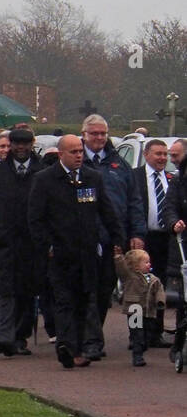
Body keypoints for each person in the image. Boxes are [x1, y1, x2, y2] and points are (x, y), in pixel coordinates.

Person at [28, 134, 125, 368]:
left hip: (87, 253)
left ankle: (78, 347)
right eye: (73, 152)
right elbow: (35, 218)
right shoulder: (45, 180)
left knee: (83, 301)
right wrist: (47, 246)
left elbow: (107, 211)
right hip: (59, 254)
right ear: (61, 154)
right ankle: (66, 345)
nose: (79, 155)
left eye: (80, 151)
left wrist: (119, 239)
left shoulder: (93, 178)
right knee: (63, 301)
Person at [80, 115, 145, 356]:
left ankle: (93, 335)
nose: (99, 138)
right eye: (94, 133)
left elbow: (134, 201)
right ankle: (90, 341)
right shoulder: (77, 160)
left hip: (112, 239)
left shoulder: (120, 164)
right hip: (82, 239)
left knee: (104, 289)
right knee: (85, 289)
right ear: (84, 134)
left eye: (102, 134)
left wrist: (137, 233)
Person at [0, 128, 46, 356]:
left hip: (32, 243)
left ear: (31, 144)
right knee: (4, 287)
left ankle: (20, 336)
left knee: (27, 290)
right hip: (3, 241)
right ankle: (4, 335)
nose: (21, 148)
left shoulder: (42, 172)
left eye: (25, 143)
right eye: (16, 143)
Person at [134, 139, 173, 344]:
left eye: (165, 154)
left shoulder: (170, 178)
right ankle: (136, 335)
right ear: (147, 154)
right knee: (137, 290)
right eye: (158, 154)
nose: (163, 158)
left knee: (159, 288)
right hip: (143, 240)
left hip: (164, 240)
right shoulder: (135, 177)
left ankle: (155, 332)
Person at [115, 249, 164, 367]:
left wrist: (160, 301)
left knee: (148, 334)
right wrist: (118, 258)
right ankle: (137, 356)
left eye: (149, 262)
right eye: (145, 262)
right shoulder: (130, 276)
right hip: (134, 308)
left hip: (149, 311)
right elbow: (121, 269)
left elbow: (159, 290)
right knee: (137, 333)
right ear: (136, 266)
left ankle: (143, 346)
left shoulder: (153, 279)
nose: (149, 264)